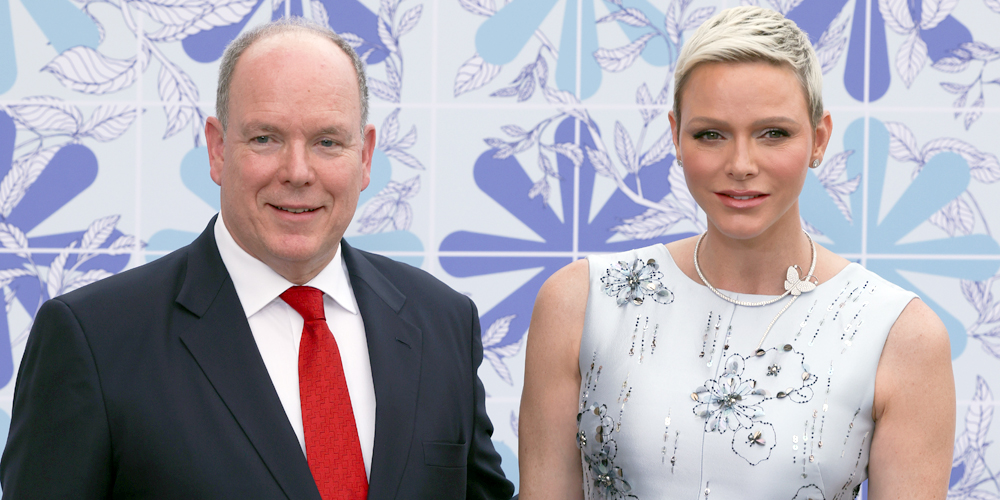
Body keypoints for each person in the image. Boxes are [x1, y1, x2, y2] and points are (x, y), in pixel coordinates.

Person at [0, 18, 514, 500]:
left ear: (365, 157)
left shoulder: (443, 321)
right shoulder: (93, 339)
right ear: (218, 149)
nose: (297, 171)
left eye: (327, 141)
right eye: (265, 138)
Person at [518, 6, 955, 499]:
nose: (741, 164)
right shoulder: (583, 302)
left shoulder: (900, 333)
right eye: (711, 134)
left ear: (820, 139)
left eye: (774, 133)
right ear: (676, 137)